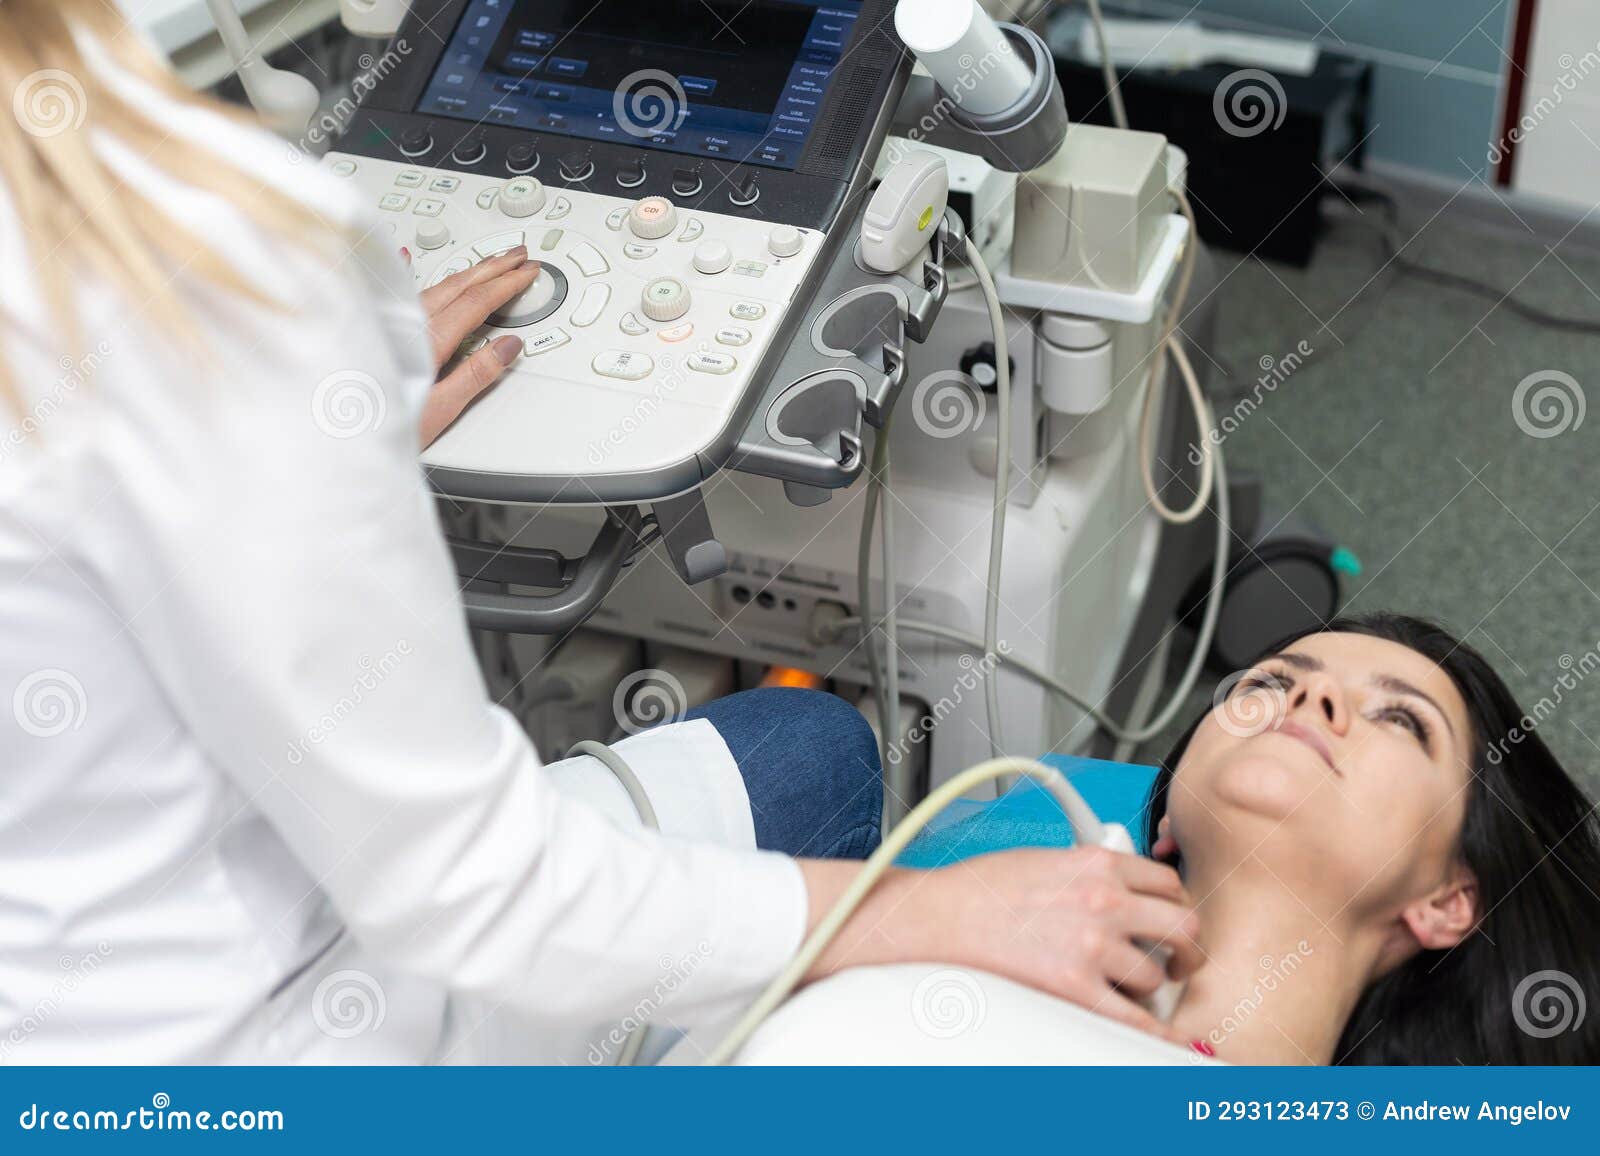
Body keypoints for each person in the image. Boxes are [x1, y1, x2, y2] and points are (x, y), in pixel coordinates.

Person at [0, 1, 1199, 1061]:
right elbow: (475, 894)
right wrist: (932, 914)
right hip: (250, 1055)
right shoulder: (208, 260)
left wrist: (293, 445)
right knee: (816, 749)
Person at [732, 614, 1600, 1065]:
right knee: (809, 739)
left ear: (1449, 901)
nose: (1311, 702)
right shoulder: (966, 934)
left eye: (1402, 720)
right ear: (1169, 822)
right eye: (1271, 682)